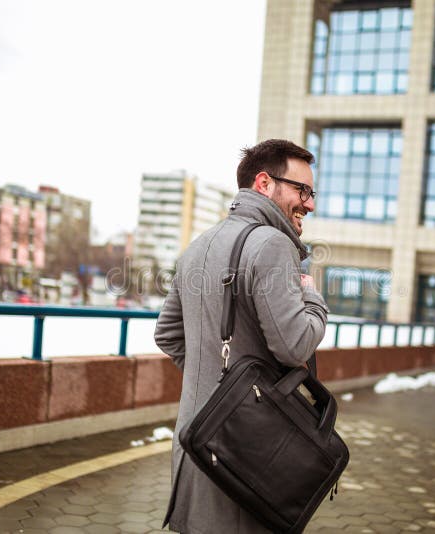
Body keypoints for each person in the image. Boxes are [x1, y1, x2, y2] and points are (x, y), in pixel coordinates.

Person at [154, 139, 329, 533]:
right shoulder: (272, 244)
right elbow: (295, 345)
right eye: (302, 190)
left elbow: (167, 335)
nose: (310, 203)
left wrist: (221, 381)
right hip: (245, 456)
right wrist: (313, 298)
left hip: (194, 446)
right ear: (265, 184)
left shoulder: (198, 246)